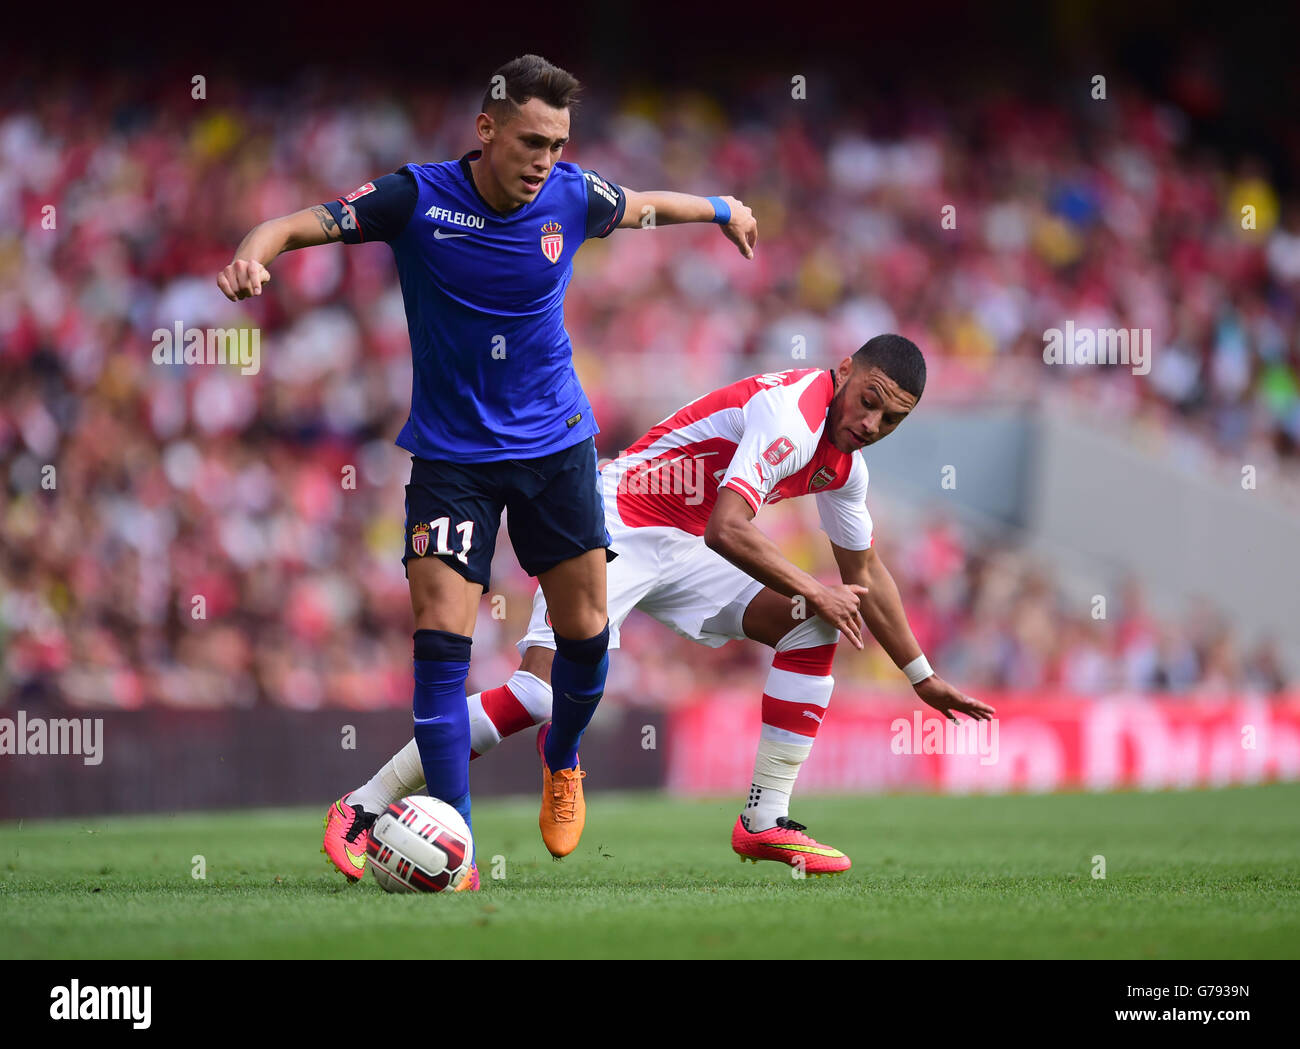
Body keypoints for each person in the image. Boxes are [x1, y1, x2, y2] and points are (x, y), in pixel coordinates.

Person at [218, 54, 758, 889]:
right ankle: (458, 841)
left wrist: (724, 207)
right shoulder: (416, 196)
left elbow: (649, 206)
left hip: (556, 448)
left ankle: (564, 754)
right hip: (451, 458)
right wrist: (255, 256)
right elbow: (297, 223)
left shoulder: (575, 196)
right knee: (441, 644)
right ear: (487, 129)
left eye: (559, 142)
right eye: (533, 140)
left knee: (584, 635)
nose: (546, 157)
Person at [323, 336, 994, 880]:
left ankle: (765, 819)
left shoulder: (847, 466)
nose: (871, 423)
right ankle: (363, 804)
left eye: (891, 419)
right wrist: (813, 584)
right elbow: (729, 529)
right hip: (616, 518)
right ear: (845, 369)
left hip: (691, 544)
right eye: (869, 401)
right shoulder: (790, 414)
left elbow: (867, 572)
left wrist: (920, 675)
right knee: (538, 694)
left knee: (810, 621)